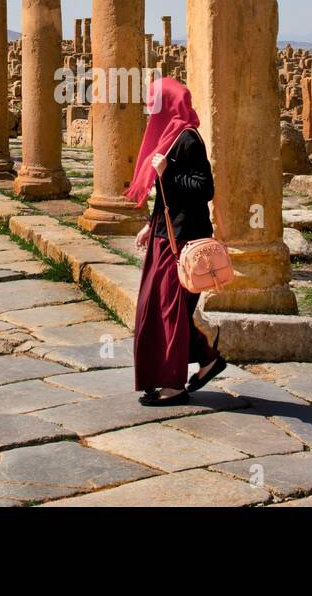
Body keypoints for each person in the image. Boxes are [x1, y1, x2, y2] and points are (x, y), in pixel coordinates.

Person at [127, 77, 225, 406]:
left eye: (154, 102)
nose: (149, 109)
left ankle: (174, 386)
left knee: (170, 311)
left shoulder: (187, 139)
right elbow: (167, 197)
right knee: (155, 309)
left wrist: (168, 171)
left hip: (184, 241)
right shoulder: (169, 137)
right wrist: (149, 224)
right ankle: (206, 359)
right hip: (164, 235)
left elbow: (204, 188)